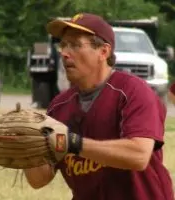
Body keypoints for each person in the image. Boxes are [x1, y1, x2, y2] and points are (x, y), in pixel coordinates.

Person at [24, 13, 174, 200]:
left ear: (104, 52)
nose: (64, 52)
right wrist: (27, 149)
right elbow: (39, 180)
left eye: (75, 45)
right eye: (63, 44)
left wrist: (71, 142)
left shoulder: (133, 91)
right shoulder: (59, 106)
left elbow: (139, 155)